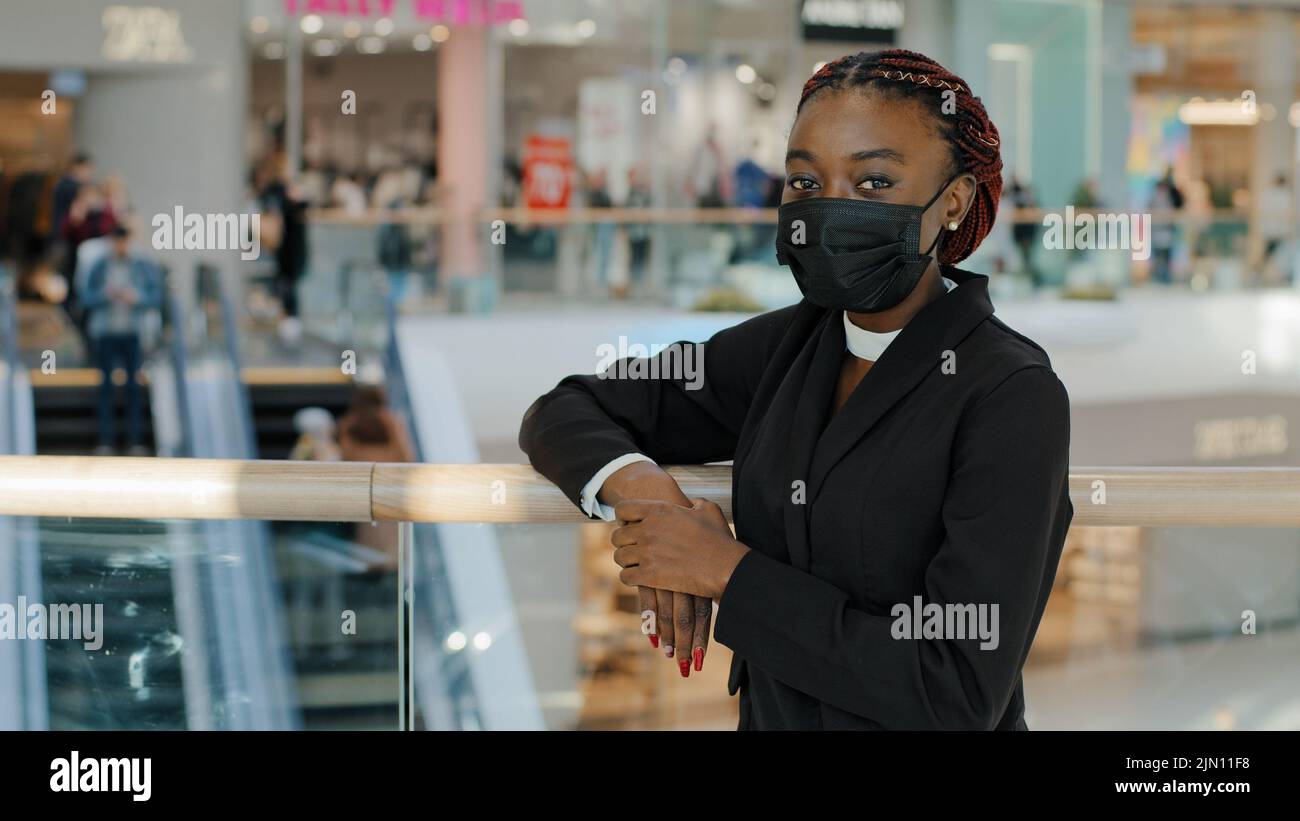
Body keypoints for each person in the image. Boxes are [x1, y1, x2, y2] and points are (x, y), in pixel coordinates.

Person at [519, 49, 1073, 730]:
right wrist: (649, 495)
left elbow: (954, 691)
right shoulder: (786, 349)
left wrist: (724, 569)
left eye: (872, 181)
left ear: (953, 201)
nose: (828, 207)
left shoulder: (1010, 393)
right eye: (805, 182)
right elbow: (565, 409)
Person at [81, 225, 161, 456]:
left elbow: (155, 296)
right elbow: (84, 296)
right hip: (105, 333)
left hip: (131, 333)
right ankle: (105, 440)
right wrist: (105, 296)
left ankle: (134, 440)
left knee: (133, 388)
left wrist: (136, 298)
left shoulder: (140, 266)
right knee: (105, 388)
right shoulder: (99, 266)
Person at [337, 384, 415, 570]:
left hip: (365, 487)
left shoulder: (349, 424)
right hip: (391, 485)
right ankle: (394, 565)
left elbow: (346, 457)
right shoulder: (391, 422)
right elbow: (406, 456)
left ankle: (372, 564)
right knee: (393, 531)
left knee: (370, 530)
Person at [1257, 173, 1292, 282]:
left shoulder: (1268, 195)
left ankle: (1286, 275)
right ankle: (1257, 274)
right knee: (1273, 253)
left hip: (1272, 230)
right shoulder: (1283, 195)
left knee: (1274, 254)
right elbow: (1285, 213)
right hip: (1277, 231)